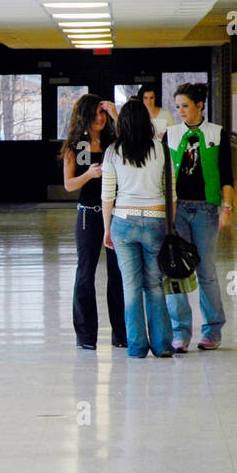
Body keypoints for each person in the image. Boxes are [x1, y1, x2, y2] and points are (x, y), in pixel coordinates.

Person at [100, 99, 174, 359]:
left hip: (123, 222)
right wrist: (169, 227)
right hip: (155, 221)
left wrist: (107, 228)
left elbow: (107, 195)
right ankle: (163, 345)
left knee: (130, 287)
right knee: (154, 285)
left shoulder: (112, 152)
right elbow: (170, 193)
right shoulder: (160, 149)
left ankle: (137, 347)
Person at [164, 82, 234, 351]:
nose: (181, 111)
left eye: (185, 106)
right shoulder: (169, 135)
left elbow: (226, 175)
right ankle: (180, 331)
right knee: (176, 269)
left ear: (200, 106)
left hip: (206, 209)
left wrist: (226, 208)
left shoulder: (217, 133)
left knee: (206, 271)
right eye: (178, 107)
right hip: (177, 209)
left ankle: (213, 329)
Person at [61, 93, 126, 350]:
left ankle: (121, 334)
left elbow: (133, 141)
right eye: (96, 114)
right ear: (85, 116)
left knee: (117, 274)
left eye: (103, 114)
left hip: (115, 213)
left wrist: (117, 115)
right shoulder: (77, 146)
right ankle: (86, 336)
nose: (100, 119)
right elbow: (68, 185)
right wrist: (88, 174)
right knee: (86, 272)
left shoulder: (113, 143)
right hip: (89, 213)